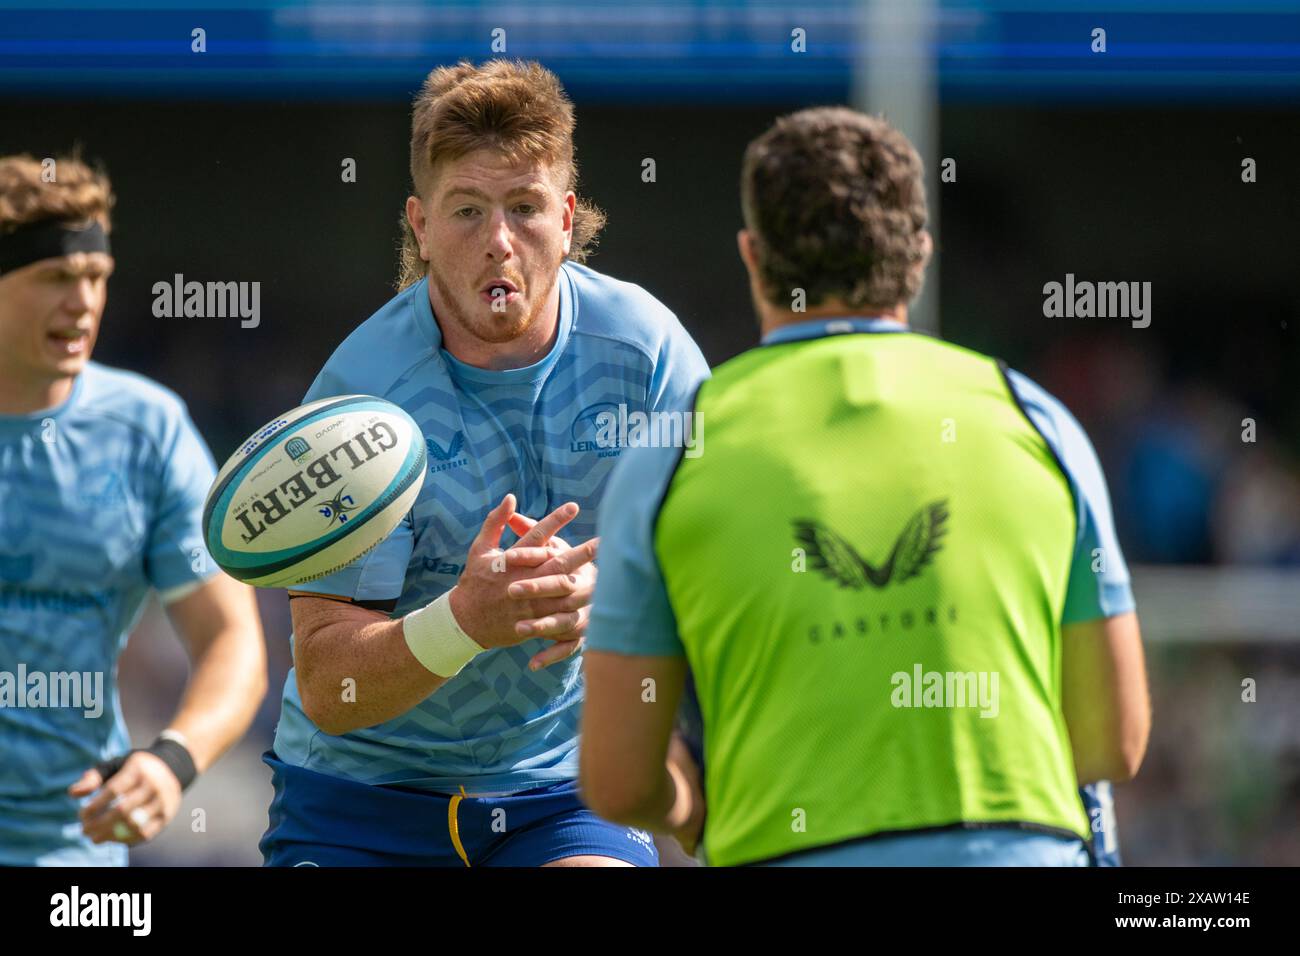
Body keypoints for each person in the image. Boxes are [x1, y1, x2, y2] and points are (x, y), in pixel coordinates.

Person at [579, 107, 1150, 867]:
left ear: (753, 257)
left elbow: (618, 782)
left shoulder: (674, 452)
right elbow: (1115, 739)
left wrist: (696, 804)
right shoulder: (1039, 422)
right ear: (919, 254)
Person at [260, 59, 709, 867]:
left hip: (561, 792)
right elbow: (331, 687)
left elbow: (726, 561)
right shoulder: (360, 400)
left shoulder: (647, 355)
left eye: (525, 208)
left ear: (567, 219)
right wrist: (465, 621)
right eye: (466, 209)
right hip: (360, 801)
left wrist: (616, 597)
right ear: (420, 226)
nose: (499, 241)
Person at [0, 153, 267, 866]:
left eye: (96, 279)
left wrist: (171, 762)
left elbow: (231, 641)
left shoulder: (147, 430)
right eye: (56, 278)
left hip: (74, 857)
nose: (83, 303)